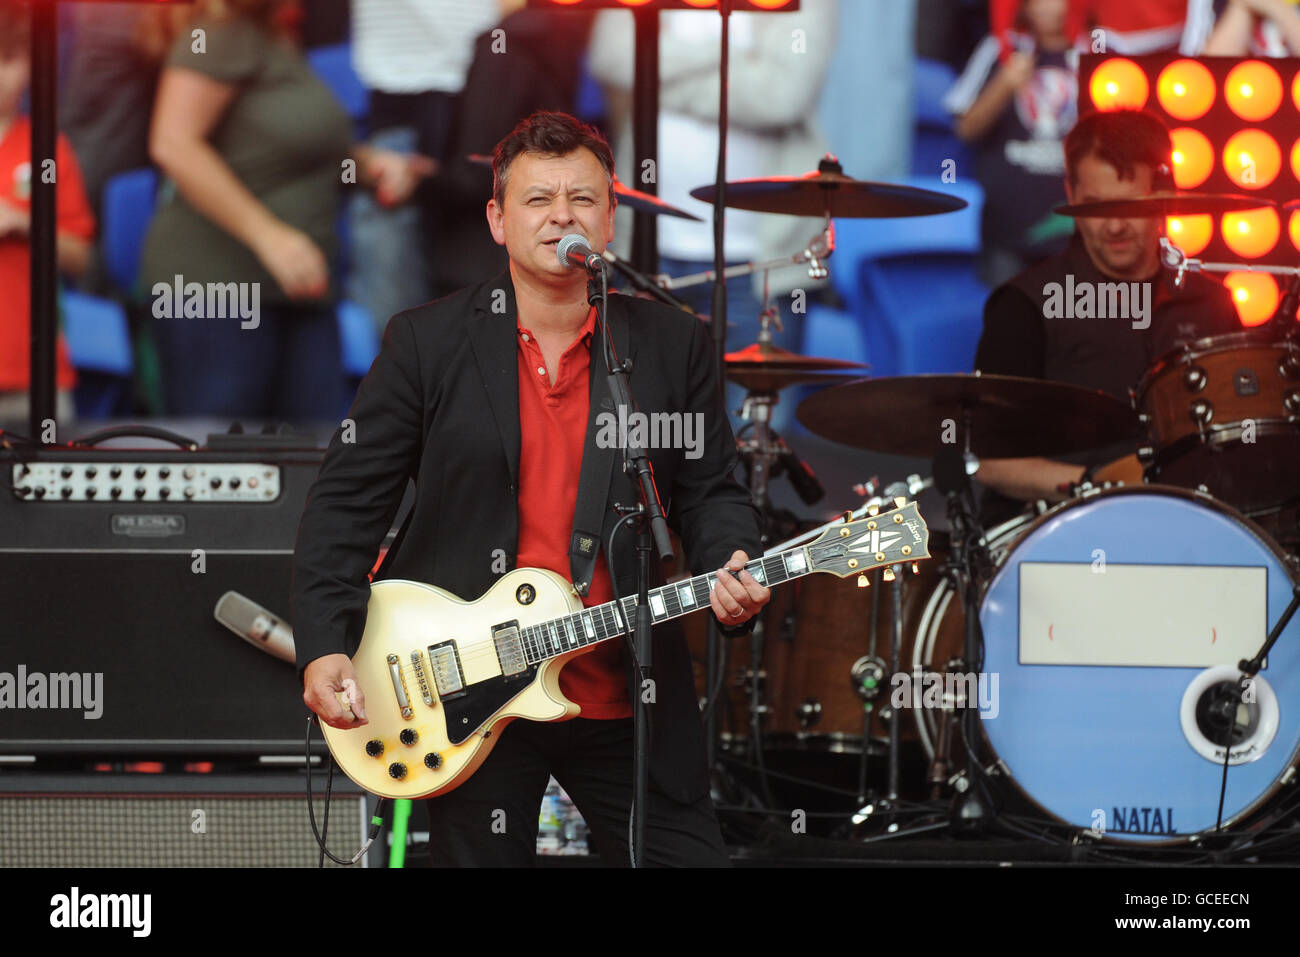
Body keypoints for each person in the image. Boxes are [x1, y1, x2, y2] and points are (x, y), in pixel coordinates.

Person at [293, 111, 770, 867]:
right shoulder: (428, 341)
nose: (561, 217)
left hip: (623, 690)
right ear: (496, 218)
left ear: (610, 219)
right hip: (468, 692)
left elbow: (712, 491)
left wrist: (734, 557)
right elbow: (347, 506)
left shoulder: (672, 345)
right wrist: (323, 644)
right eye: (537, 199)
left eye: (582, 199)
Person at [139, 0, 431, 419]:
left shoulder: (274, 37)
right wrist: (268, 236)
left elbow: (298, 150)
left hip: (300, 292)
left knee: (314, 461)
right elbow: (173, 144)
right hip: (216, 292)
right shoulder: (219, 35)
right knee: (221, 466)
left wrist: (370, 167)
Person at [973, 108, 1241, 520]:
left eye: (1129, 205)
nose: (1113, 226)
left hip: (1194, 527)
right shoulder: (1024, 305)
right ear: (1071, 194)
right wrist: (1105, 484)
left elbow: (1243, 437)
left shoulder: (1212, 304)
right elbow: (990, 463)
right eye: (1095, 207)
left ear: (1162, 194)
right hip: (1059, 530)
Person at [0, 3, 94, 427]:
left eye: (7, 59)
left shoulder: (48, 149)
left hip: (32, 377)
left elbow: (81, 258)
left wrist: (24, 224)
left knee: (45, 490)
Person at [946, 0, 1082, 288]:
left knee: (1071, 328)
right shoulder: (999, 49)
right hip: (1005, 231)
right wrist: (1004, 86)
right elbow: (965, 129)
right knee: (1006, 325)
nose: (1048, 6)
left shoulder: (1096, 53)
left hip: (1075, 233)